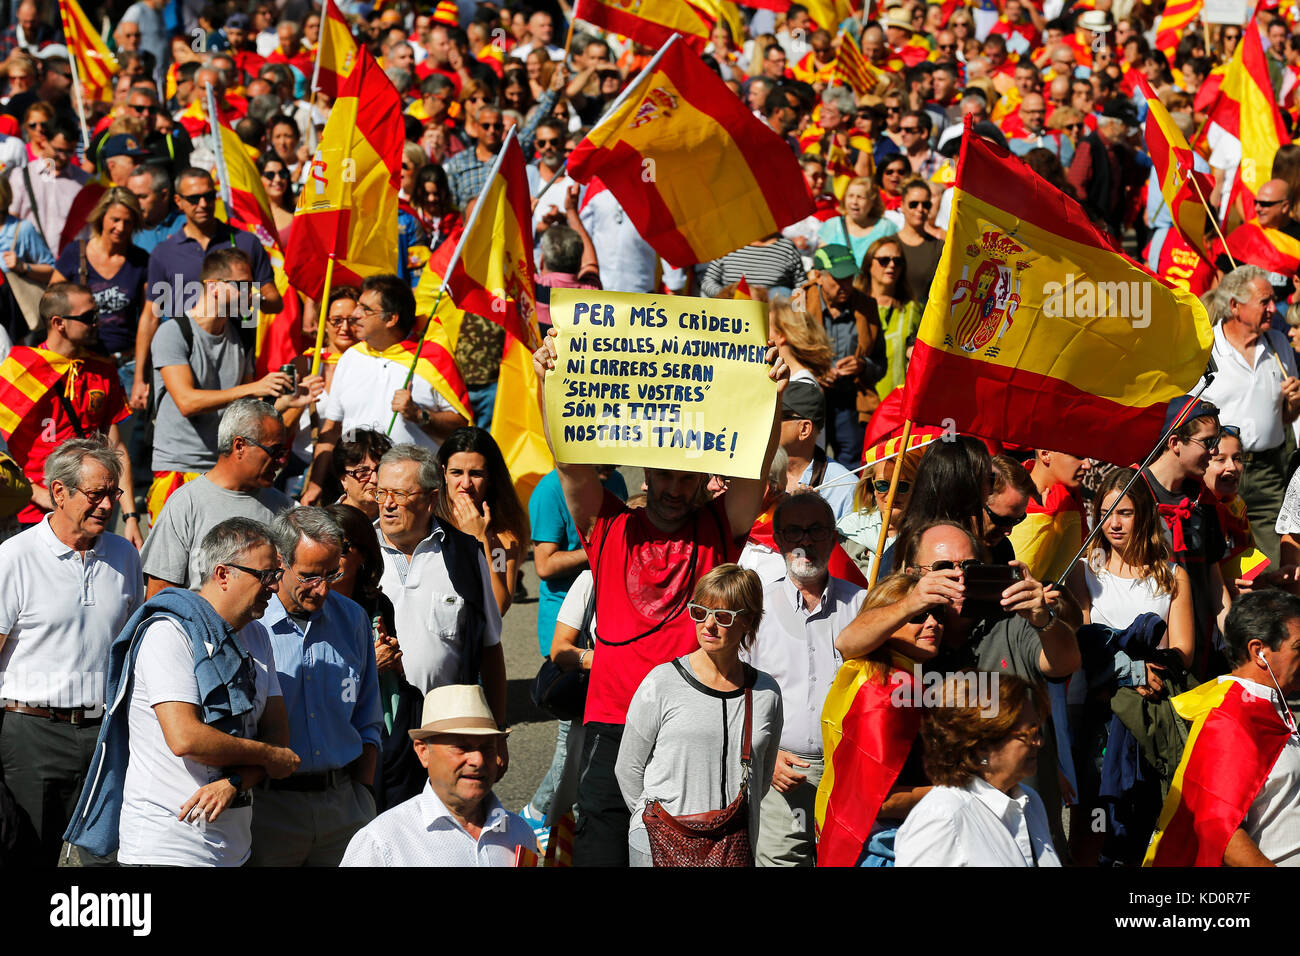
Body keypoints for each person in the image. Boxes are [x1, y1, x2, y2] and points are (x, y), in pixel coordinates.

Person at [532, 326, 788, 867]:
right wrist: (549, 381)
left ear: (702, 478)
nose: (673, 488)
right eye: (663, 474)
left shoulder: (719, 528)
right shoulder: (607, 526)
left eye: (685, 477)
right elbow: (570, 463)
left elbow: (754, 471)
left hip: (688, 726)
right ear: (644, 468)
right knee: (601, 852)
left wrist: (771, 395)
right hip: (610, 718)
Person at [64, 518, 299, 867]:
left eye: (276, 577)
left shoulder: (258, 636)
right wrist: (267, 757)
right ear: (223, 574)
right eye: (266, 576)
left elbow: (277, 738)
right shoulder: (168, 633)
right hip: (166, 847)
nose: (274, 587)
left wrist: (236, 780)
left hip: (235, 849)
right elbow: (186, 738)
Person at [0, 437, 142, 866]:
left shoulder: (124, 555)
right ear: (59, 493)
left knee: (105, 858)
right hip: (32, 734)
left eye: (113, 493)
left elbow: (132, 644)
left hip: (104, 735)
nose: (106, 504)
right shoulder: (15, 556)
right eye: (95, 493)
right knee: (29, 854)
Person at [616, 564, 784, 866]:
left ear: (747, 621)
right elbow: (627, 767)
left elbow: (762, 778)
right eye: (699, 612)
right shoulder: (662, 681)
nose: (708, 625)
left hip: (733, 847)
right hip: (659, 839)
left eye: (722, 616)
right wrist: (655, 820)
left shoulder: (766, 692)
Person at [248, 507, 382, 866]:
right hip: (270, 811)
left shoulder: (352, 618)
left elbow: (368, 715)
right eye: (309, 576)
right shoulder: (251, 625)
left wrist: (363, 793)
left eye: (331, 574)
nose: (322, 589)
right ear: (279, 561)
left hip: (344, 806)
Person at [145, 248, 314, 521]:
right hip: (178, 468)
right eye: (243, 286)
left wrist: (285, 402)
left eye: (253, 286)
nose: (252, 295)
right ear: (213, 286)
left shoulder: (242, 335)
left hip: (227, 467)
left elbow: (245, 408)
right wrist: (254, 387)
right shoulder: (173, 332)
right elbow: (187, 402)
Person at [744, 493, 864, 866]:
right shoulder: (756, 608)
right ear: (778, 539)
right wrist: (762, 753)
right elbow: (734, 688)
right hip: (779, 773)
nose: (806, 541)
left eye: (816, 530)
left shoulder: (862, 605)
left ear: (833, 537)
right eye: (794, 531)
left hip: (848, 774)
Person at [1145, 589, 1300, 866]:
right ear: (1259, 652)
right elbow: (1218, 831)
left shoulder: (1268, 702)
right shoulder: (1229, 718)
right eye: (1299, 647)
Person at [301, 274, 469, 505]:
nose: (355, 314)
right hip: (359, 497)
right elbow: (332, 429)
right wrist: (315, 484)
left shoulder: (432, 359)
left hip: (414, 499)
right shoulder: (350, 357)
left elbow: (460, 427)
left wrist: (420, 416)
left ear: (390, 318)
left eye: (365, 309)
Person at [815, 571, 943, 866]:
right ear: (889, 621)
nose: (933, 623)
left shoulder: (877, 673)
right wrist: (963, 789)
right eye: (918, 615)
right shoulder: (889, 688)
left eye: (938, 614)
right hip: (879, 848)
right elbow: (880, 800)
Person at [373, 444, 506, 725]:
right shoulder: (358, 553)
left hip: (446, 722)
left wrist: (497, 727)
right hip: (377, 724)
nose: (387, 503)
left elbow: (490, 647)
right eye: (381, 492)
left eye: (400, 493)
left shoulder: (466, 554)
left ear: (431, 499)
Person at [134, 168, 282, 412]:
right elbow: (151, 315)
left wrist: (242, 294)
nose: (203, 204)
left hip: (237, 353)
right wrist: (140, 377)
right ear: (178, 202)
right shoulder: (165, 252)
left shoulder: (245, 242)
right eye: (193, 199)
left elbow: (275, 302)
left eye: (209, 196)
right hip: (185, 355)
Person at [0, 283, 139, 543]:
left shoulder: (103, 370)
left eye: (97, 315)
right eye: (88, 318)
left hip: (91, 507)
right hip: (33, 513)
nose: (97, 323)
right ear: (58, 323)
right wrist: (33, 491)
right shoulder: (20, 369)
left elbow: (116, 447)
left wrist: (130, 516)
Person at [340, 684, 534, 866]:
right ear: (423, 752)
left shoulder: (519, 833)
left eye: (487, 748)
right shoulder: (382, 842)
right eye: (462, 747)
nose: (478, 760)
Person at [895, 672, 1060, 866]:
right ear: (981, 743)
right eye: (1029, 732)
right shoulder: (942, 817)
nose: (1039, 742)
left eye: (1038, 730)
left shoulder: (1030, 802)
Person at [1198, 265, 1300, 568]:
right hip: (1218, 470)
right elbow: (1190, 414)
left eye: (1272, 301)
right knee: (1222, 559)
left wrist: (1295, 402)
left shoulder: (1278, 344)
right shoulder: (1207, 347)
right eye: (1264, 302)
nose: (1273, 308)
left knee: (1271, 561)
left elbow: (1286, 417)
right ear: (1234, 306)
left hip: (1269, 471)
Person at [141, 399, 293, 594]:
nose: (280, 461)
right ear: (239, 446)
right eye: (274, 451)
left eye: (283, 452)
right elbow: (160, 595)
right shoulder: (186, 504)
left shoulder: (283, 509)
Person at [1140, 396, 1231, 678]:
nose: (1214, 452)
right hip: (1149, 646)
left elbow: (1214, 582)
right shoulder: (1135, 493)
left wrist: (1234, 640)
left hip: (1201, 645)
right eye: (1207, 442)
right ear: (1175, 442)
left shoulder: (1203, 500)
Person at [796, 243, 884, 466]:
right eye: (838, 279)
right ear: (818, 276)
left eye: (849, 278)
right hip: (809, 401)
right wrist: (814, 376)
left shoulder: (867, 307)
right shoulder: (798, 304)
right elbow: (786, 354)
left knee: (852, 465)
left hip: (851, 400)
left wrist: (862, 365)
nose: (846, 285)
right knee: (807, 463)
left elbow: (881, 363)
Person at [50, 187, 149, 374]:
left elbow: (149, 318)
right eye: (115, 220)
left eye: (127, 222)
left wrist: (140, 375)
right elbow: (51, 306)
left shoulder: (141, 261)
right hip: (80, 364)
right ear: (101, 216)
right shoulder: (75, 253)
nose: (120, 228)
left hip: (125, 364)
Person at [434, 426, 528, 616]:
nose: (466, 484)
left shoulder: (503, 537)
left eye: (476, 474)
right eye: (456, 472)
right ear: (444, 473)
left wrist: (480, 540)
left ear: (490, 477)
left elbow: (498, 607)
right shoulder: (425, 520)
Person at [1007, 447, 1091, 584]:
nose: (1088, 465)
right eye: (1078, 456)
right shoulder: (1006, 493)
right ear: (1045, 454)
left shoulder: (1070, 496)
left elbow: (1084, 553)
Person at [838, 447, 920, 580]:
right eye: (882, 485)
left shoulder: (926, 535)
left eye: (902, 485)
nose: (892, 494)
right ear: (872, 488)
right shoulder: (848, 530)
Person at [858, 235, 923, 400]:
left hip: (900, 402)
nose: (892, 265)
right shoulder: (855, 305)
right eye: (884, 260)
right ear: (868, 265)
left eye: (898, 261)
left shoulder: (913, 309)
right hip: (863, 403)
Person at [779, 380, 855, 521]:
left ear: (804, 429)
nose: (769, 421)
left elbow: (847, 543)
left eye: (779, 416)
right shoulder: (754, 471)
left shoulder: (844, 487)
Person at [7, 120, 86, 254]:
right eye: (58, 150)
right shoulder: (21, 176)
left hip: (69, 265)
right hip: (31, 264)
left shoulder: (83, 181)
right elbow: (11, 220)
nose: (63, 157)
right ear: (44, 141)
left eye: (69, 151)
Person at [816, 177, 899, 265]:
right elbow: (820, 261)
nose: (854, 201)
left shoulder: (886, 228)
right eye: (850, 196)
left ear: (872, 202)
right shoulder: (833, 226)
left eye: (860, 197)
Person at [894, 179, 943, 309]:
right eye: (913, 204)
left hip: (924, 321)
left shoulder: (940, 248)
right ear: (902, 206)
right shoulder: (888, 245)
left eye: (926, 205)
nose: (920, 209)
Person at [331, 428, 392, 520]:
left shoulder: (402, 522)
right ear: (343, 479)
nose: (375, 479)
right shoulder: (326, 525)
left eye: (380, 469)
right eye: (363, 472)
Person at [126, 164, 183, 254]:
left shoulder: (187, 225)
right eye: (131, 197)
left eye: (142, 196)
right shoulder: (125, 230)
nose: (135, 202)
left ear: (164, 195)